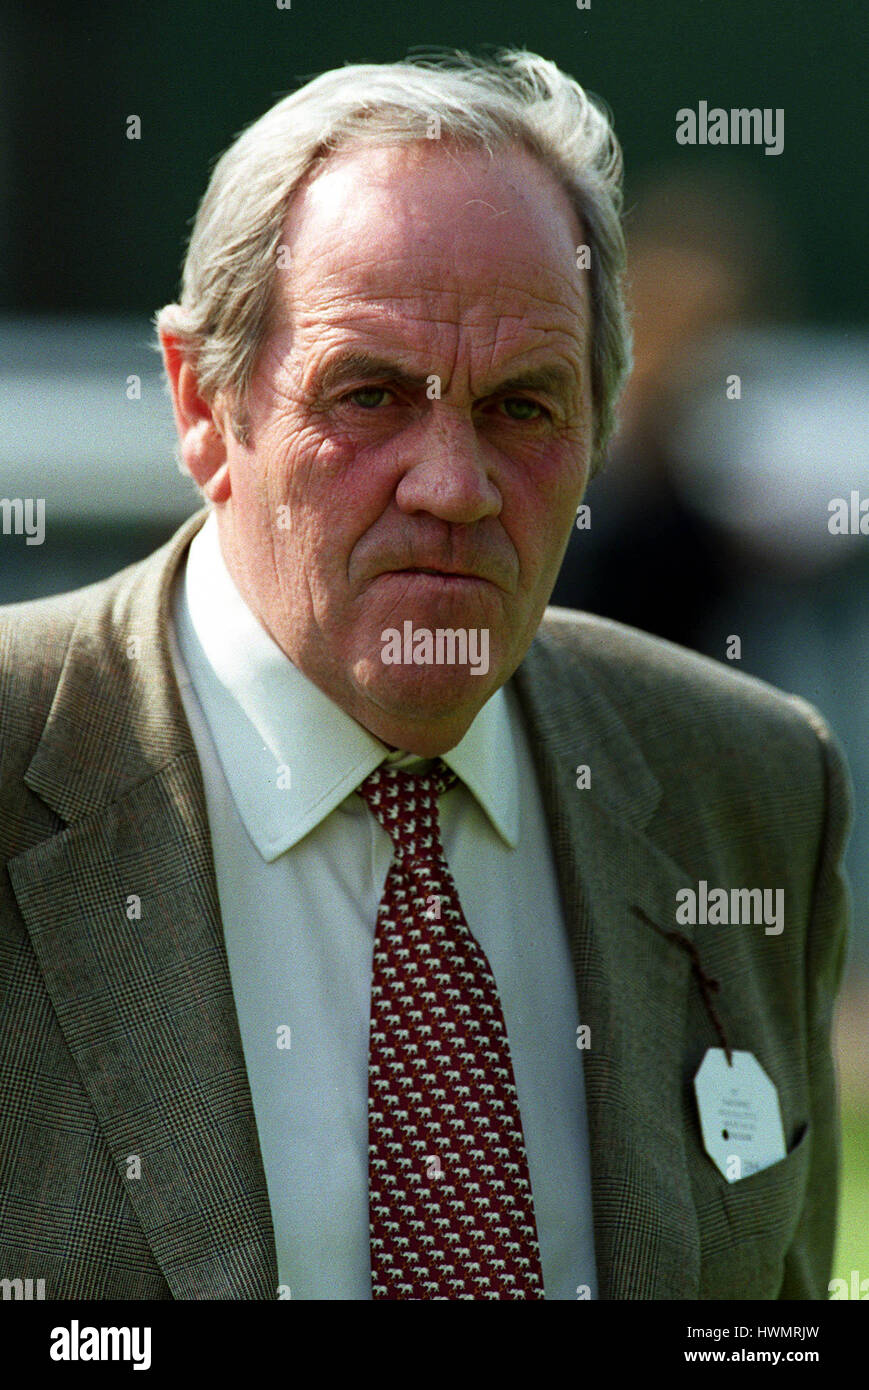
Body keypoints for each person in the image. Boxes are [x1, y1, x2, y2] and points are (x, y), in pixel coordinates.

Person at [0, 50, 850, 1301]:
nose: (449, 486)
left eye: (520, 408)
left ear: (602, 428)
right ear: (199, 400)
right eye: (369, 394)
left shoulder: (749, 783)